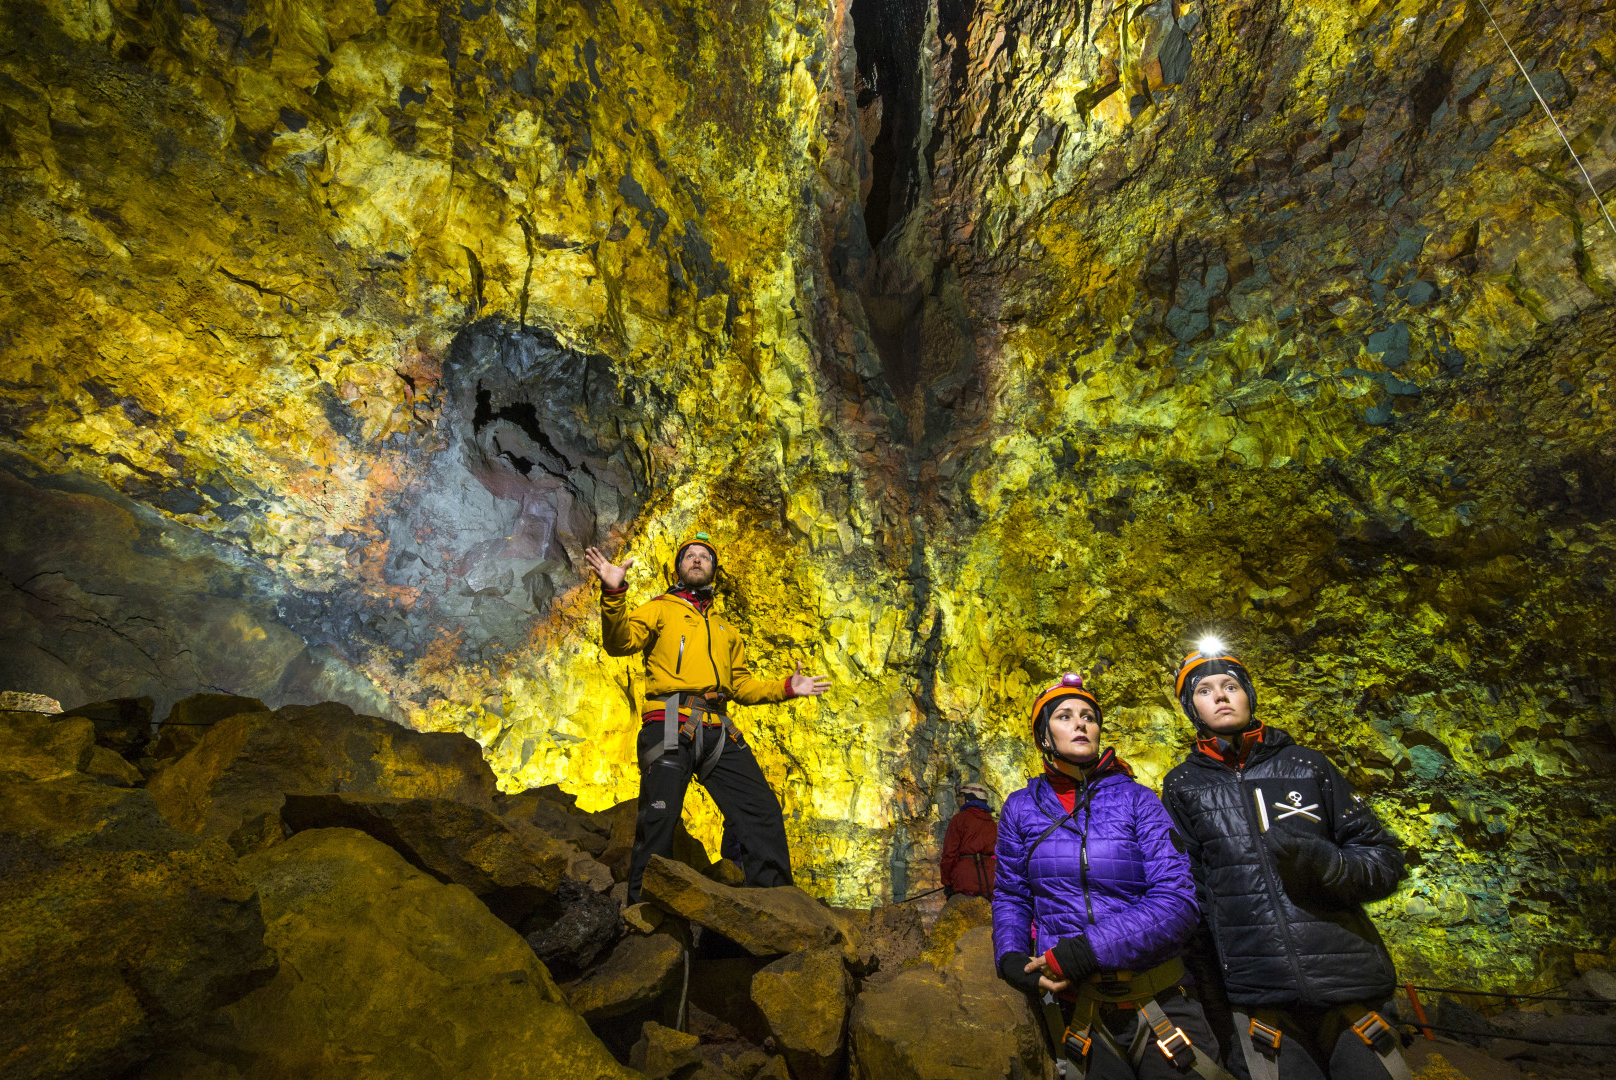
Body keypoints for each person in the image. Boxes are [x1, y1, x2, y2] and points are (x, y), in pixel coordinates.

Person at [1161, 639, 1410, 1080]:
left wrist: (1328, 864)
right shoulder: (1182, 787)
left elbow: (1386, 860)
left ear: (1249, 696)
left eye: (1231, 685)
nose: (1220, 695)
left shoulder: (1308, 767)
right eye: (1204, 690)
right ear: (1191, 708)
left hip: (1350, 993)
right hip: (1261, 1006)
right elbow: (1193, 905)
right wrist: (1218, 1011)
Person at [995, 673, 1226, 1080]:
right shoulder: (1019, 808)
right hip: (1076, 1009)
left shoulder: (1138, 799)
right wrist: (1010, 957)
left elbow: (1177, 901)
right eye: (1064, 716)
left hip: (1158, 997)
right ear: (1043, 736)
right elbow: (1012, 895)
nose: (1081, 723)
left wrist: (1084, 951)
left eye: (1088, 716)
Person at [584, 532, 831, 903]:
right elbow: (619, 643)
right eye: (690, 556)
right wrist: (614, 594)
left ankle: (779, 906)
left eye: (705, 557)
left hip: (718, 729)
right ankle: (643, 911)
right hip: (669, 723)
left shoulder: (725, 630)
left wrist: (786, 687)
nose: (697, 560)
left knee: (761, 810)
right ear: (678, 568)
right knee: (660, 818)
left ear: (714, 570)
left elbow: (742, 687)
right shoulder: (659, 608)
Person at [940, 782, 998, 897]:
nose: (959, 801)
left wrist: (947, 882)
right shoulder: (993, 824)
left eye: (962, 796)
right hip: (991, 882)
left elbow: (949, 854)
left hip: (965, 882)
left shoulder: (959, 820)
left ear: (969, 798)